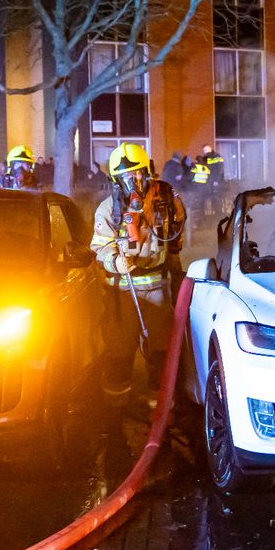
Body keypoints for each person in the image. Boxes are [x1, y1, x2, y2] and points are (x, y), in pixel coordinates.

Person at [90, 142, 186, 409]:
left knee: (159, 350)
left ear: (148, 171)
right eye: (125, 178)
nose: (134, 182)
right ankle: (115, 407)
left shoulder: (164, 201)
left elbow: (176, 235)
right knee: (119, 352)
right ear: (115, 181)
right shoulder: (108, 209)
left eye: (138, 174)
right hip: (121, 291)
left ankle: (160, 406)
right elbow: (100, 247)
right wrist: (115, 261)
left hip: (157, 287)